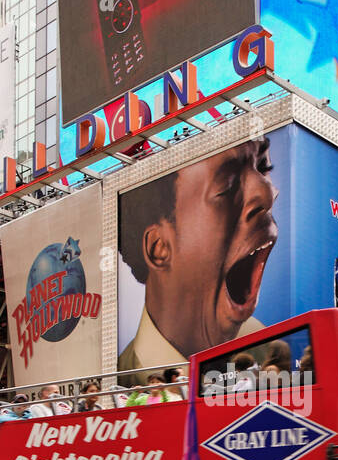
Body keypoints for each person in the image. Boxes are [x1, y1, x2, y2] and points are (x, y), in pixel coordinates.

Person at [117, 137, 278, 378]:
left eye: (263, 168)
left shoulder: (265, 346)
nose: (268, 193)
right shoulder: (130, 384)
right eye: (228, 185)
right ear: (159, 248)